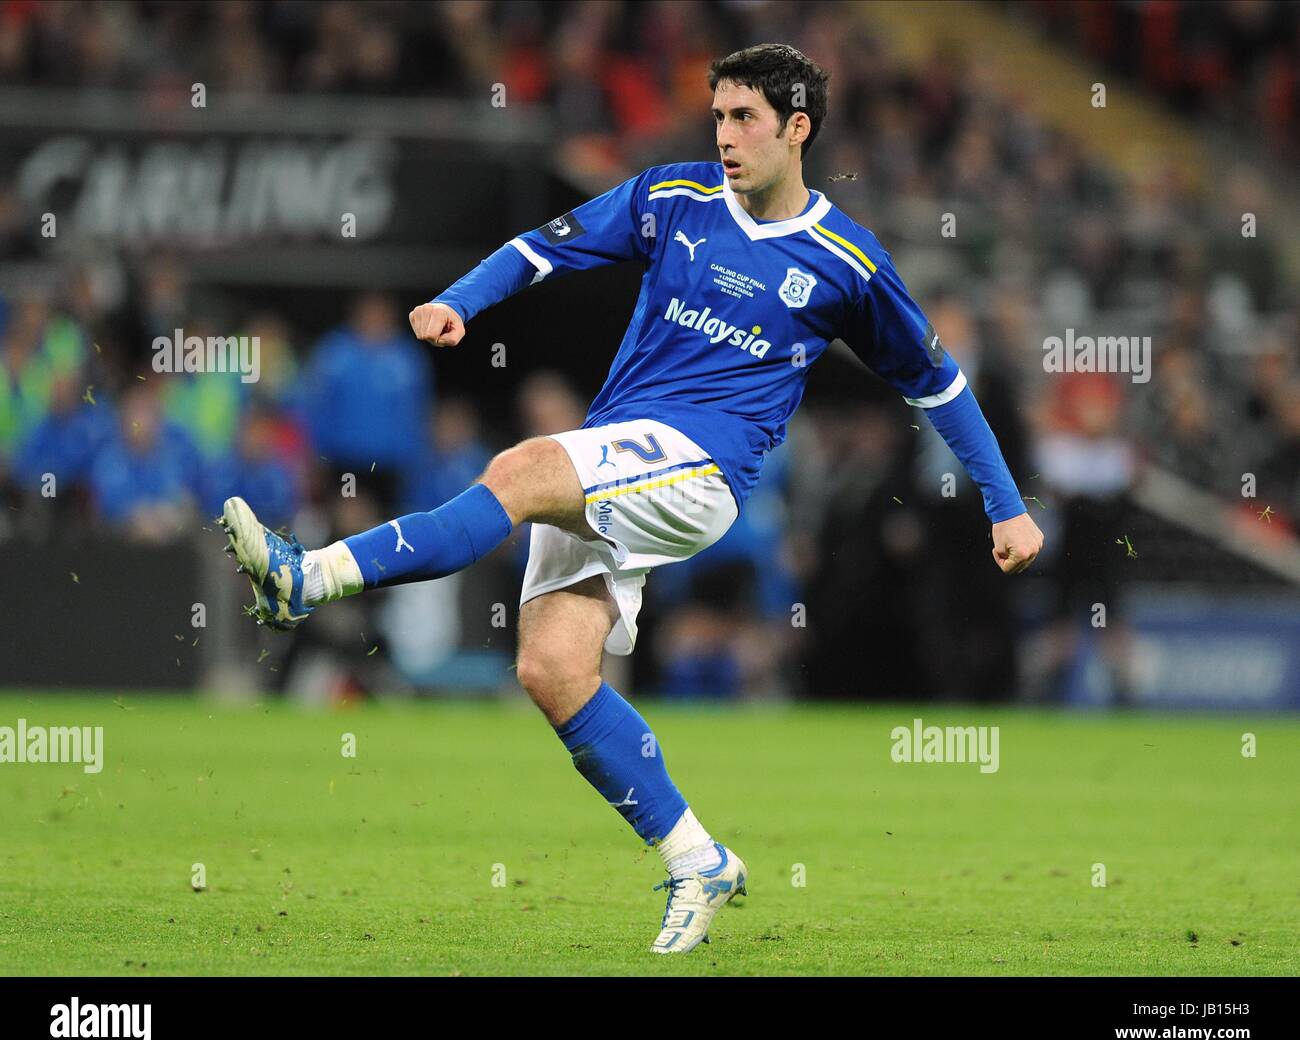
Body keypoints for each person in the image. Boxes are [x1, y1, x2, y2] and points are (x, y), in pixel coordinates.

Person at [219, 43, 1043, 954]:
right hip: (623, 453)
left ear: (797, 128)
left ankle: (309, 578)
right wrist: (461, 301)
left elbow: (939, 386)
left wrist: (1004, 504)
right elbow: (545, 249)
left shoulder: (844, 260)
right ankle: (698, 858)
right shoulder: (671, 198)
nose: (724, 136)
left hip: (701, 472)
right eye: (718, 115)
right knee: (553, 672)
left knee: (524, 468)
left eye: (745, 119)